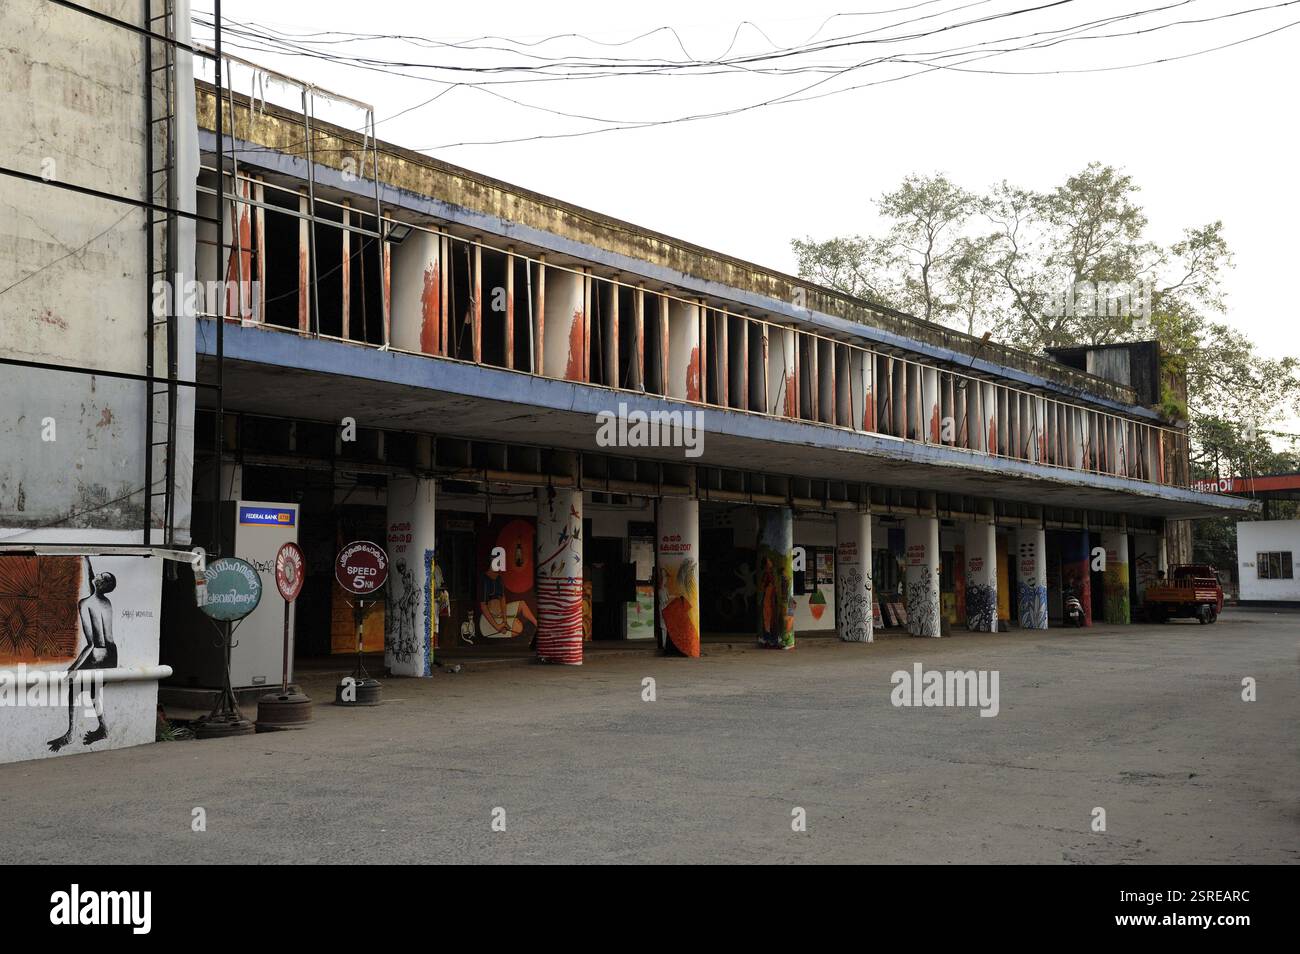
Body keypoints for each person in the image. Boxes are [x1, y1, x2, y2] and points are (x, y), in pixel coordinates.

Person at [48, 557, 117, 752]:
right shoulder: (106, 602)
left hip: (96, 653)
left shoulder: (85, 603)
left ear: (102, 584)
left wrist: (73, 668)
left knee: (74, 690)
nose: (97, 576)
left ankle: (71, 734)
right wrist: (86, 558)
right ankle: (103, 727)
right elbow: (91, 579)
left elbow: (92, 643)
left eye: (101, 577)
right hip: (112, 654)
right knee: (94, 692)